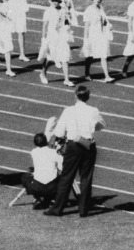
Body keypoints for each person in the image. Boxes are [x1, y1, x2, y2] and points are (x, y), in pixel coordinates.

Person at [45, 83, 106, 217]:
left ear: (75, 96)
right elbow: (101, 125)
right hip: (88, 145)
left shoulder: (68, 110)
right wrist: (90, 127)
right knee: (86, 178)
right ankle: (83, 209)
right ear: (88, 97)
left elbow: (60, 132)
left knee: (66, 177)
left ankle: (57, 208)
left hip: (73, 146)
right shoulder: (93, 110)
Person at [37, 0, 75, 86]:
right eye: (53, 0)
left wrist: (68, 18)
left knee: (65, 57)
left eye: (57, 0)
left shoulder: (64, 10)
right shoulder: (48, 11)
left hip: (62, 37)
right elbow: (45, 26)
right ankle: (43, 73)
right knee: (49, 58)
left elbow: (68, 22)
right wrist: (43, 38)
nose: (55, 2)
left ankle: (66, 79)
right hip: (52, 37)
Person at [79, 0, 115, 83]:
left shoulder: (101, 8)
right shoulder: (89, 10)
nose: (98, 0)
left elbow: (104, 21)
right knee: (90, 56)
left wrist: (108, 25)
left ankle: (107, 76)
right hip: (92, 36)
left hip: (101, 35)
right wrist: (85, 39)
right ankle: (87, 73)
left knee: (103, 55)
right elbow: (86, 26)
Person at [24, 127, 64, 211]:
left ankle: (37, 198)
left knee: (24, 177)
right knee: (61, 178)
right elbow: (61, 168)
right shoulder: (54, 153)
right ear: (46, 141)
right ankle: (52, 199)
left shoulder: (33, 152)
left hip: (36, 188)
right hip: (52, 188)